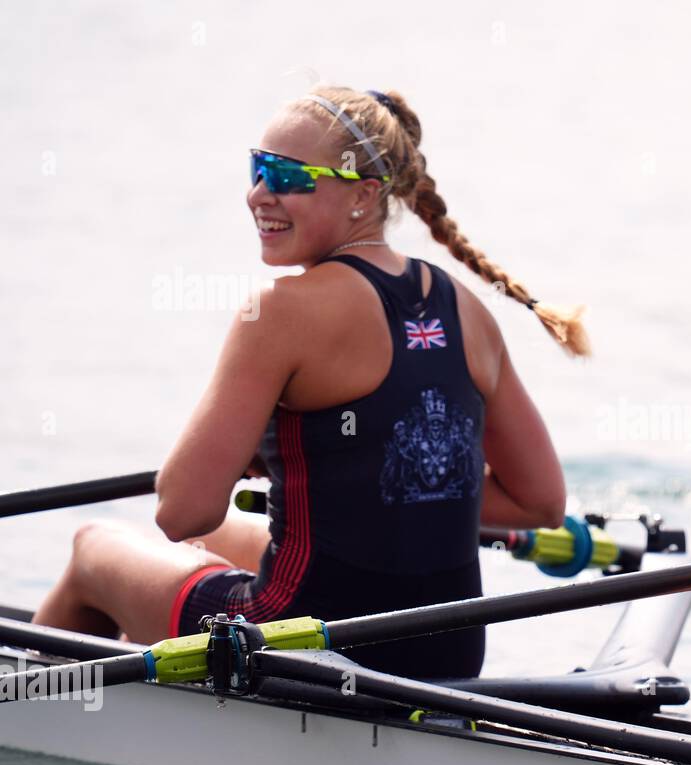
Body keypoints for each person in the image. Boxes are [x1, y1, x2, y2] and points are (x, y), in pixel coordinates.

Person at [34, 86, 582, 679]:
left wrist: (237, 458)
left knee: (94, 547)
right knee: (216, 541)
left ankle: (32, 730)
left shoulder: (278, 312)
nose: (258, 194)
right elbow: (540, 502)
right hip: (446, 654)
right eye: (257, 168)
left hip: (301, 643)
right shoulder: (466, 309)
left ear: (364, 194)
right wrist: (352, 472)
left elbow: (180, 511)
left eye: (288, 176)